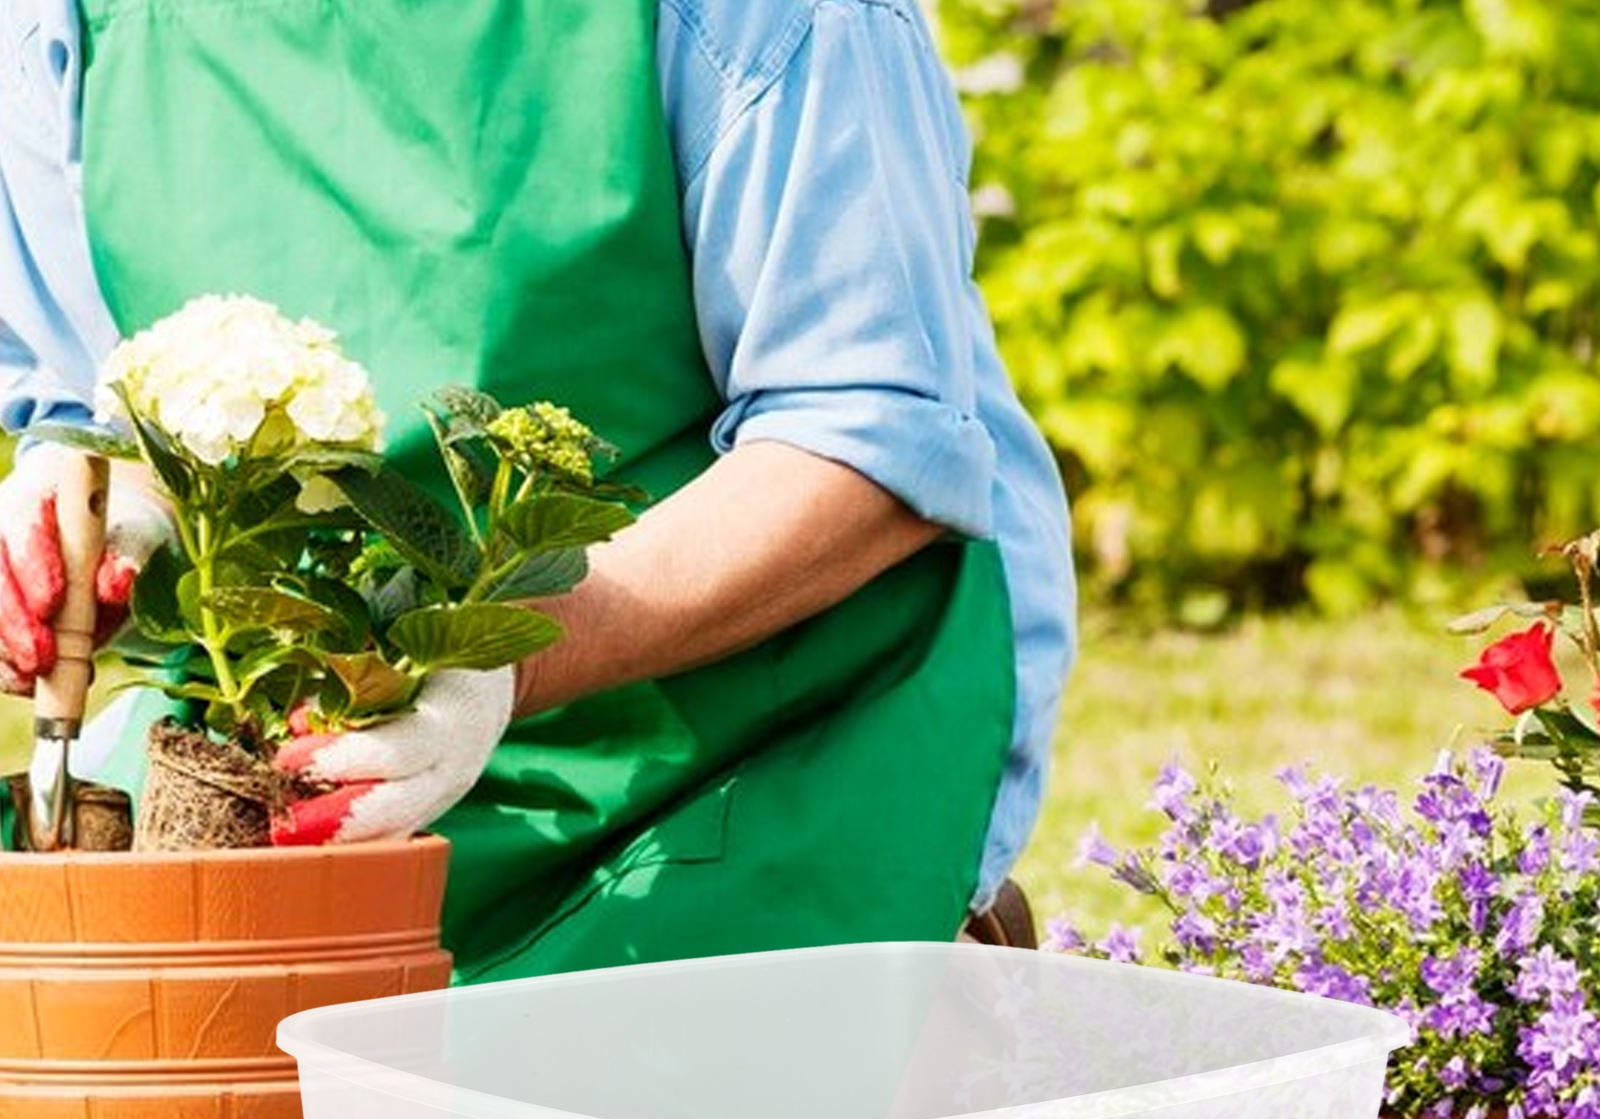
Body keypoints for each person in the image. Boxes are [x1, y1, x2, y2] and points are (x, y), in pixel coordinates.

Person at [0, 0, 1075, 981]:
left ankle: (942, 984)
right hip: (295, 745)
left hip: (728, 742)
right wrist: (106, 509)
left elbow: (863, 443)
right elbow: (95, 401)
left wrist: (501, 660)